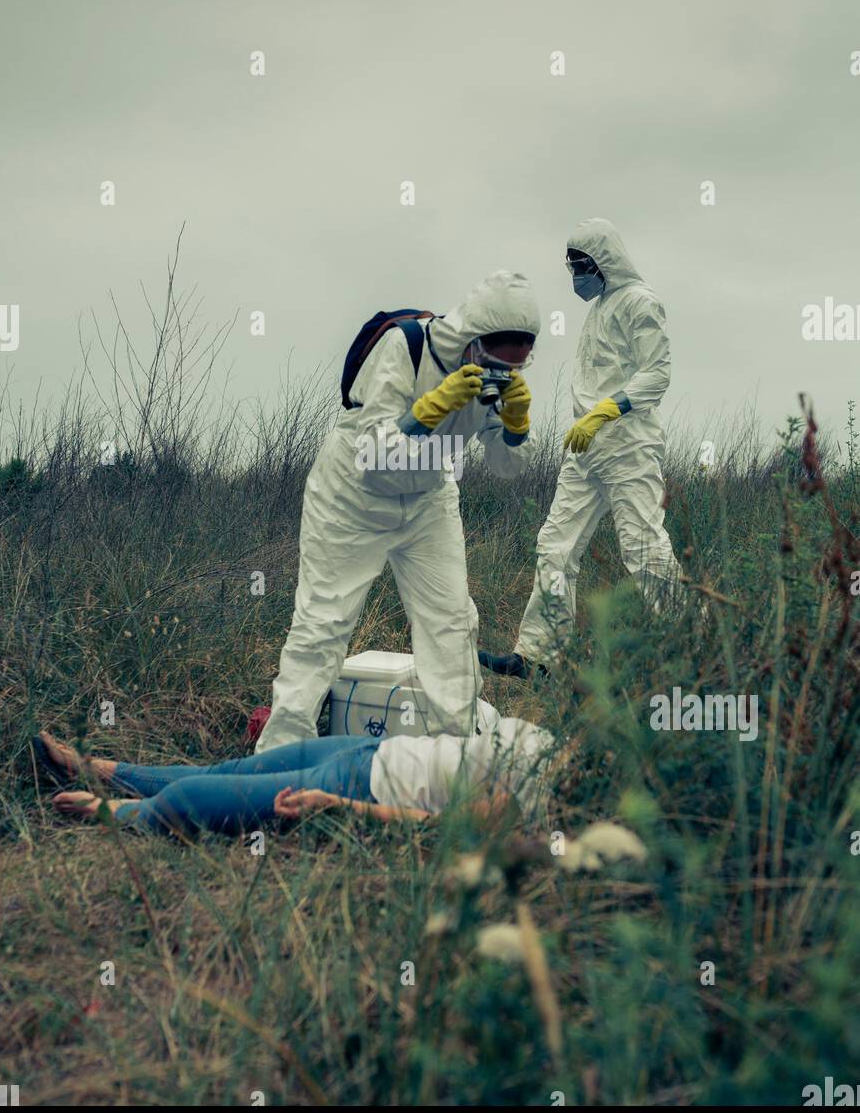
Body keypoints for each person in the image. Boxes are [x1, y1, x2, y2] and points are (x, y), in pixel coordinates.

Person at [257, 271, 540, 751]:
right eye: (494, 363)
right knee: (323, 623)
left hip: (429, 496)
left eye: (513, 368)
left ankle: (457, 757)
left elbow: (506, 467)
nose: (500, 375)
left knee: (451, 623)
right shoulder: (404, 345)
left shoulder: (500, 379)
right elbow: (373, 453)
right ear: (472, 341)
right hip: (352, 496)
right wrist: (426, 411)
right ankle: (279, 754)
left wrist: (514, 426)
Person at [480, 219, 682, 678]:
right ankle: (538, 656)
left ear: (604, 261)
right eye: (571, 267)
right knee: (555, 546)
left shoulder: (640, 302)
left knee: (644, 548)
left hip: (628, 446)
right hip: (585, 449)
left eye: (582, 266)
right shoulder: (601, 309)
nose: (576, 277)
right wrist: (586, 423)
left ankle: (693, 647)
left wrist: (604, 412)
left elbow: (657, 374)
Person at [36, 715, 555, 837]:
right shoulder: (559, 745)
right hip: (376, 748)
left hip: (361, 787)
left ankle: (116, 813)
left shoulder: (539, 796)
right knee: (226, 769)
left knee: (194, 798)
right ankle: (99, 768)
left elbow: (438, 827)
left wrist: (340, 809)